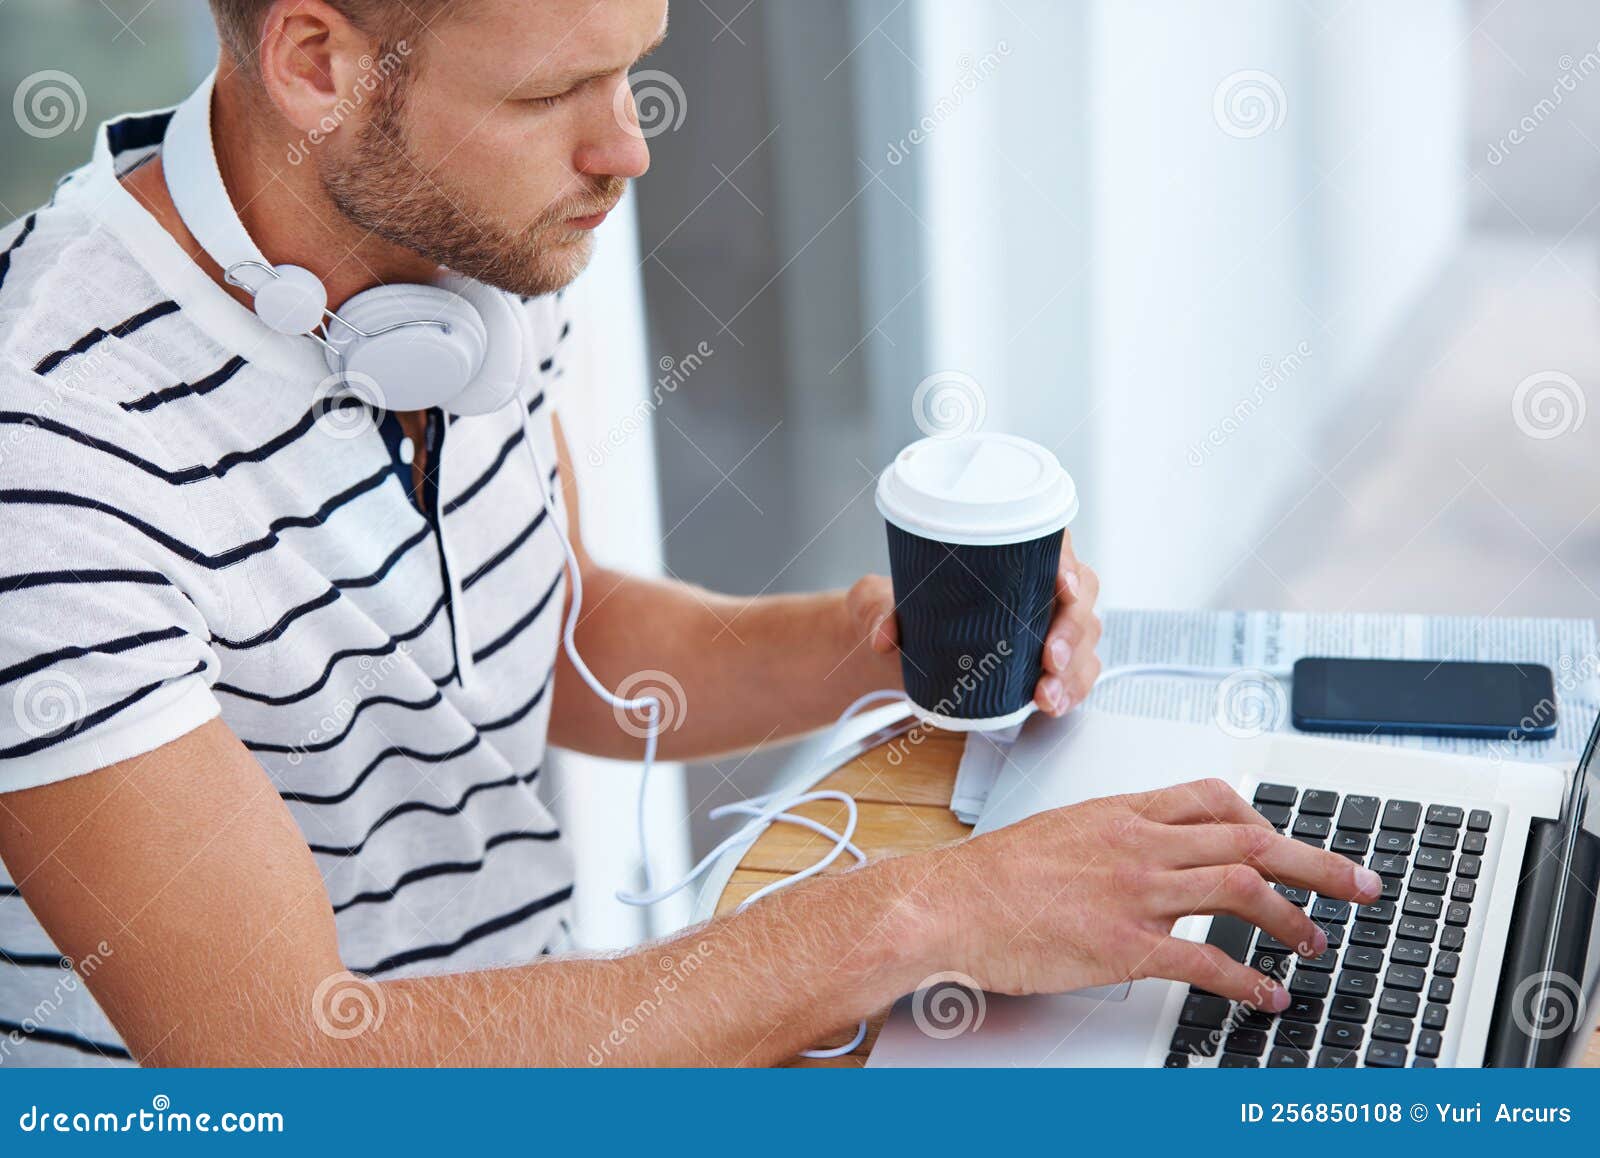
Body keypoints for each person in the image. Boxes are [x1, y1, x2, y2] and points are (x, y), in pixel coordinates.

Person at [0, 0, 1379, 1067]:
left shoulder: (460, 252)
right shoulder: (53, 439)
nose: (626, 149)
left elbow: (560, 631)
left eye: (631, 63)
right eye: (552, 93)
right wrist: (925, 912)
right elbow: (284, 1062)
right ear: (317, 64)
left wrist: (882, 645)